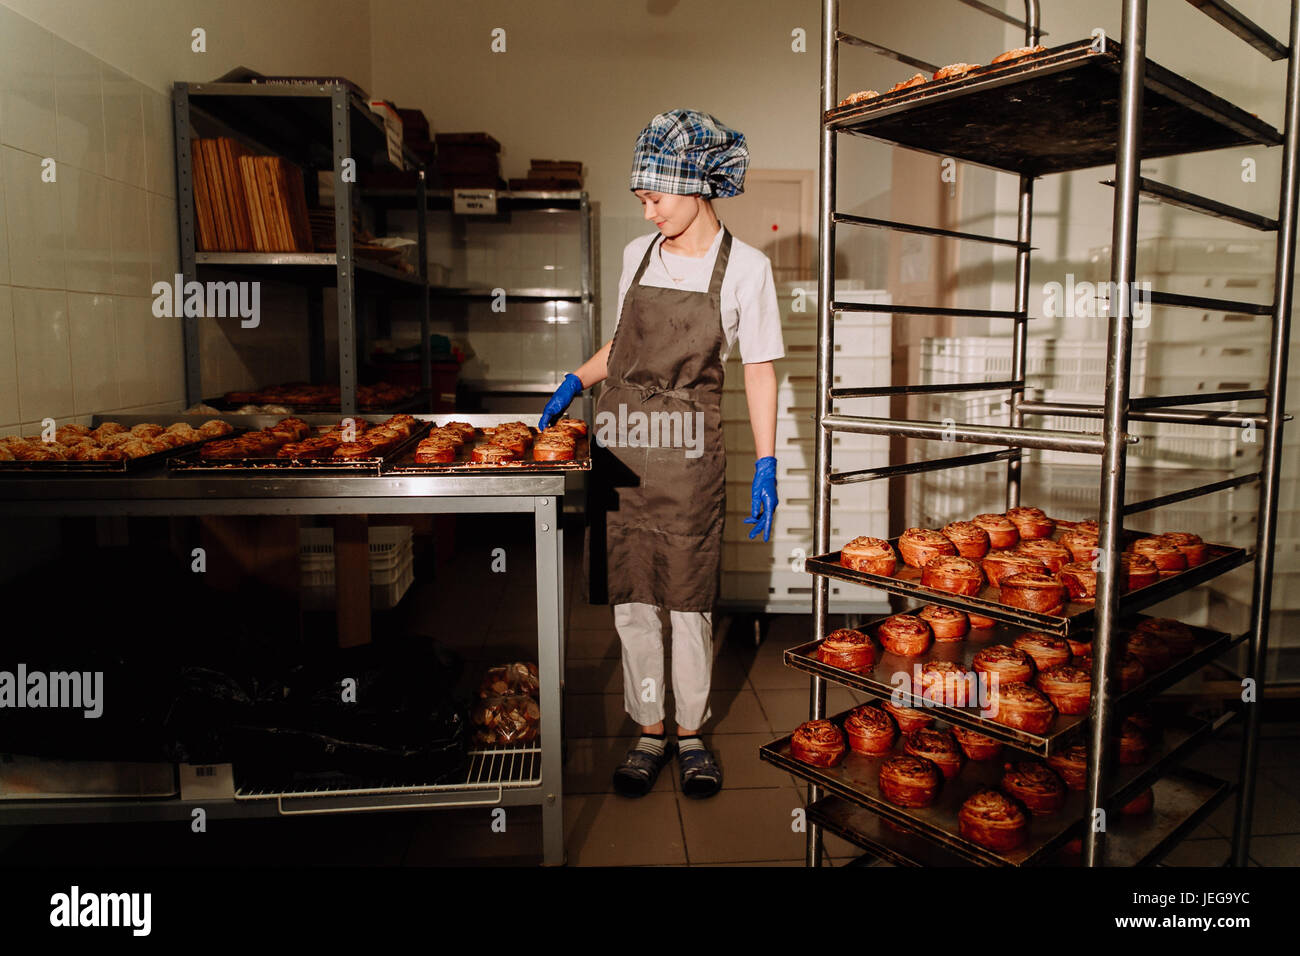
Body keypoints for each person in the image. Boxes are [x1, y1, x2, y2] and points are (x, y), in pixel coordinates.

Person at [539, 109, 782, 799]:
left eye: (655, 198)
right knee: (633, 599)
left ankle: (693, 734)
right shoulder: (635, 258)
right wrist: (574, 380)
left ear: (695, 185)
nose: (647, 213)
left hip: (689, 460)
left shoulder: (747, 270)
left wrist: (767, 462)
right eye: (642, 201)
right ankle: (649, 730)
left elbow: (759, 369)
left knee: (686, 601)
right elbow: (623, 349)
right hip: (621, 449)